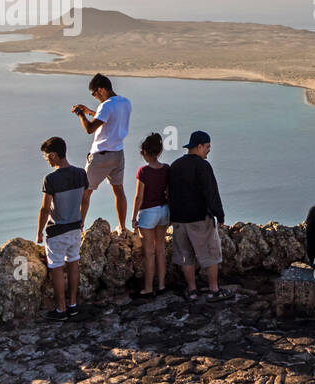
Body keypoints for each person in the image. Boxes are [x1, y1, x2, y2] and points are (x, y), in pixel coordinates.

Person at [167, 130, 232, 302]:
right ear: (200, 146)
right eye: (208, 147)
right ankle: (213, 290)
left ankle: (192, 291)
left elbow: (169, 193)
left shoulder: (175, 165)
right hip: (199, 218)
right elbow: (211, 193)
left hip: (179, 219)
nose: (209, 150)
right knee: (210, 255)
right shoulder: (203, 166)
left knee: (185, 256)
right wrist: (220, 216)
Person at [36, 136, 89, 322]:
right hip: (75, 228)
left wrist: (39, 232)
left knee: (57, 268)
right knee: (74, 263)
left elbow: (44, 209)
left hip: (57, 230)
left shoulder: (50, 179)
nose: (47, 160)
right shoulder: (81, 174)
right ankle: (73, 304)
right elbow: (85, 199)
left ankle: (61, 309)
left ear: (54, 155)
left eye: (47, 157)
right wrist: (82, 219)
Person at [71, 73, 132, 232]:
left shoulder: (106, 106)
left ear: (102, 89)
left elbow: (90, 129)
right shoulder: (125, 102)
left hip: (100, 155)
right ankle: (123, 227)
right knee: (119, 191)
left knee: (85, 193)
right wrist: (91, 112)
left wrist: (81, 114)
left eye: (95, 94)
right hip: (118, 154)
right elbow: (109, 118)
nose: (96, 97)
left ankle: (79, 228)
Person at [131, 132, 170, 302]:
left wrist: (133, 217)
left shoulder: (144, 171)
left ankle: (147, 289)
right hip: (164, 210)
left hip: (148, 212)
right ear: (159, 151)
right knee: (160, 249)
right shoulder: (167, 169)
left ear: (145, 152)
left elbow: (139, 197)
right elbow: (169, 191)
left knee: (149, 252)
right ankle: (161, 285)